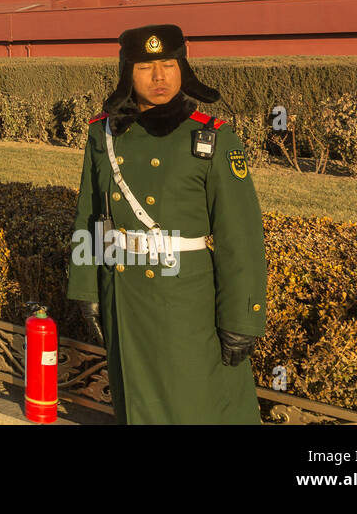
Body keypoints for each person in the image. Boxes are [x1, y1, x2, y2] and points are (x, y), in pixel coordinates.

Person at [65, 23, 267, 424]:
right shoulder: (102, 133)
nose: (159, 78)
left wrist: (242, 318)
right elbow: (89, 212)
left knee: (196, 403)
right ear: (126, 72)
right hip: (123, 291)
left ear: (183, 68)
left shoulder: (213, 137)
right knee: (136, 405)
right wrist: (87, 287)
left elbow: (239, 236)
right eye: (145, 67)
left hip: (186, 299)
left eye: (169, 65)